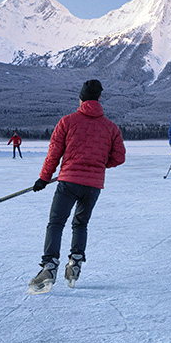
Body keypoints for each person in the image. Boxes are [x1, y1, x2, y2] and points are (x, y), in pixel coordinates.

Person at [28, 79, 126, 293]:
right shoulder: (111, 127)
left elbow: (54, 154)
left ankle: (49, 267)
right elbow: (119, 157)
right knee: (80, 224)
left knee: (56, 223)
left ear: (81, 98)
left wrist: (44, 178)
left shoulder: (67, 121)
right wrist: (98, 166)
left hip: (69, 182)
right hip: (93, 186)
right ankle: (75, 264)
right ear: (99, 98)